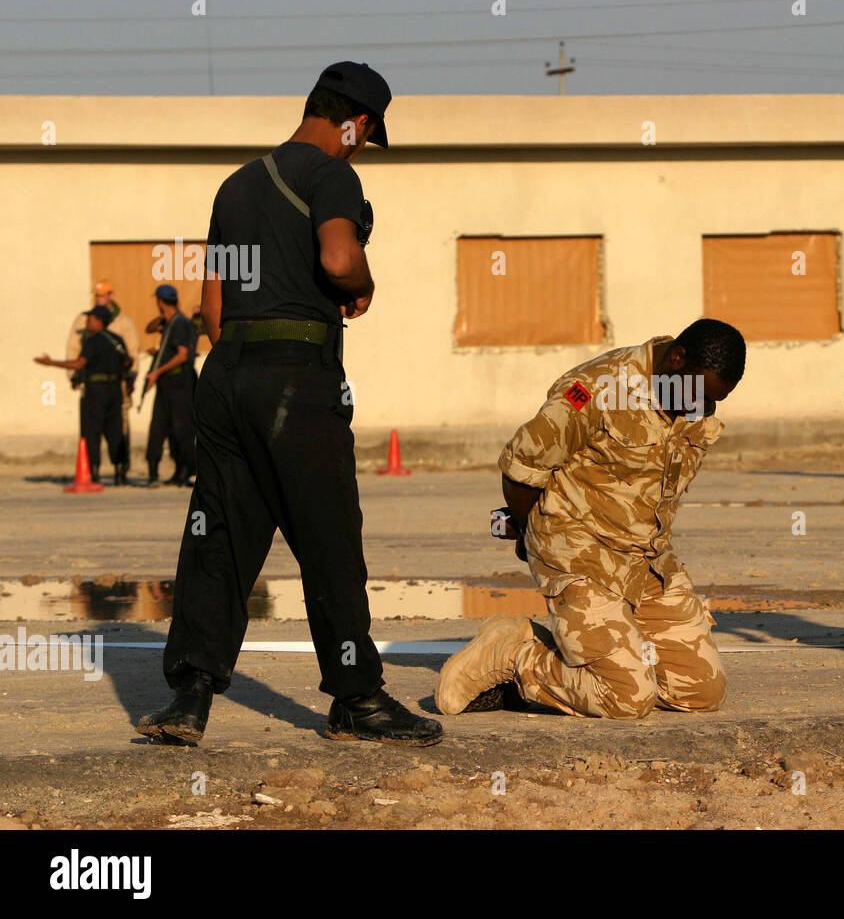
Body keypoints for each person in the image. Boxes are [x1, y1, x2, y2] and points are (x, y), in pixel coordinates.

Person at [135, 62, 442, 747]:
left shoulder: (237, 185)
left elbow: (213, 302)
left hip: (227, 372)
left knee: (219, 536)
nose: (359, 147)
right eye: (363, 136)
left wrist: (242, 365)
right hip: (295, 378)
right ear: (353, 124)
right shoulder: (332, 174)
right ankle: (357, 699)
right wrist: (361, 281)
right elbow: (337, 261)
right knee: (329, 538)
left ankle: (189, 696)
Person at [436, 319, 745, 720]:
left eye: (711, 401)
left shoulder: (692, 393)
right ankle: (514, 653)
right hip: (579, 554)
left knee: (700, 692)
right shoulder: (598, 388)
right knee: (627, 699)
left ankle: (606, 657)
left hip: (645, 561)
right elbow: (522, 466)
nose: (697, 407)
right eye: (697, 394)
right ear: (677, 358)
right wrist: (531, 534)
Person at [36, 305, 130, 484]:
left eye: (91, 318)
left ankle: (93, 472)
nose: (87, 321)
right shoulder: (117, 340)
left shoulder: (91, 341)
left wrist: (51, 363)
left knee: (91, 431)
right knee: (115, 430)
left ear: (100, 321)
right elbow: (126, 362)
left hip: (95, 390)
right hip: (115, 388)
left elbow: (79, 364)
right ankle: (120, 472)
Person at [66, 280, 138, 477]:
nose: (100, 298)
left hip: (117, 382)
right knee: (92, 426)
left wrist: (131, 377)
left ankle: (121, 466)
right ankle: (93, 467)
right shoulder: (84, 320)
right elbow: (74, 347)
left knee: (118, 426)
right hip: (92, 381)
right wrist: (74, 376)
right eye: (97, 295)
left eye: (103, 294)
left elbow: (132, 351)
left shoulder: (123, 322)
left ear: (111, 295)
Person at [142, 283, 198, 487]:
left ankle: (187, 470)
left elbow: (182, 355)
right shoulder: (170, 322)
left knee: (181, 428)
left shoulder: (181, 323)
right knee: (159, 425)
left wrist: (157, 371)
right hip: (167, 382)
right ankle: (159, 471)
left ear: (160, 301)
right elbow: (149, 328)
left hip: (180, 382)